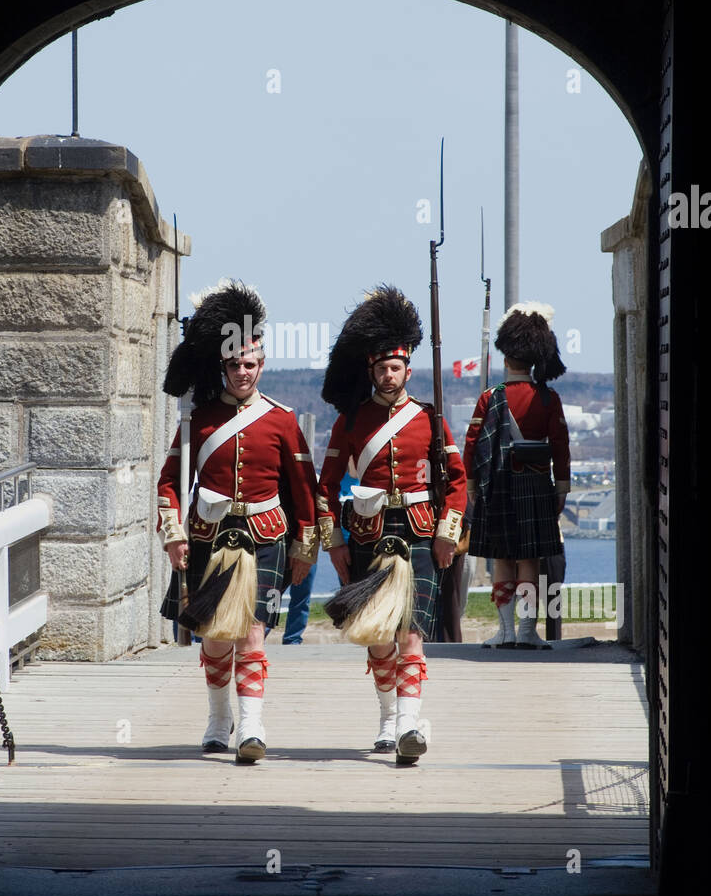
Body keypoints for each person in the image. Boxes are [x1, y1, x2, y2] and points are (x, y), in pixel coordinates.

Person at [156, 279, 318, 761]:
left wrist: (305, 549)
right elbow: (169, 482)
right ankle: (217, 717)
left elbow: (303, 490)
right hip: (208, 537)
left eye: (250, 364)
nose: (242, 372)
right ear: (222, 366)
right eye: (234, 365)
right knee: (215, 639)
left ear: (261, 365)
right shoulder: (197, 420)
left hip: (265, 540)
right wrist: (173, 534)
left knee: (252, 635)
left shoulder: (282, 420)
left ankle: (251, 726)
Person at [316, 286, 467, 764]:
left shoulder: (430, 418)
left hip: (421, 535)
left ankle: (407, 724)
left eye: (395, 367)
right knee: (380, 638)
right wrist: (333, 542)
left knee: (413, 633)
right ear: (372, 371)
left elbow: (458, 481)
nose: (388, 375)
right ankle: (387, 716)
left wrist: (448, 533)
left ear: (408, 369)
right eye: (381, 368)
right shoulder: (351, 421)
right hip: (367, 536)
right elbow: (326, 488)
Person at [463, 302, 570, 650]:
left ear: (506, 357)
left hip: (496, 484)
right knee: (529, 560)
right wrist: (562, 487)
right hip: (536, 483)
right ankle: (526, 631)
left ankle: (505, 630)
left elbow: (472, 445)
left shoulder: (488, 398)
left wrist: (472, 486)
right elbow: (560, 445)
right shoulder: (548, 398)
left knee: (502, 559)